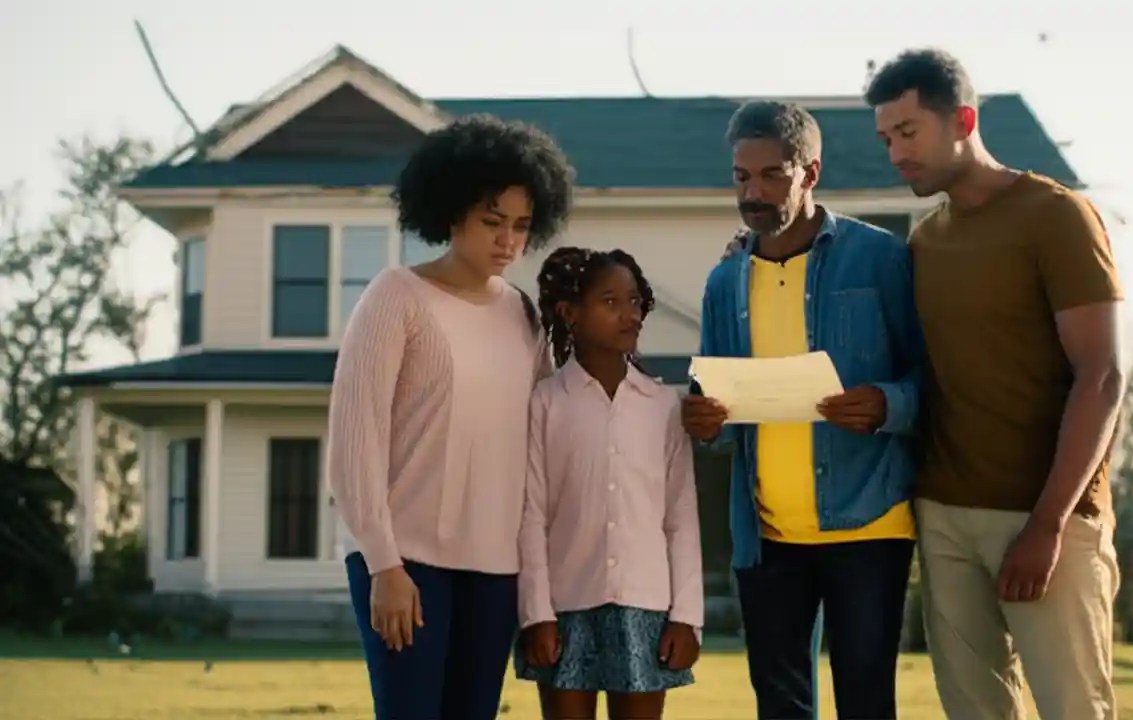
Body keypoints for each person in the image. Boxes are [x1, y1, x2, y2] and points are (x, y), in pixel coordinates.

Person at [865, 49, 1126, 720]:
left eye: (908, 132)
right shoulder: (925, 241)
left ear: (963, 120)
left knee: (1075, 709)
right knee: (973, 710)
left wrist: (1048, 524)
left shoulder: (1057, 216)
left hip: (1049, 518)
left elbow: (1101, 376)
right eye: (887, 138)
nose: (895, 152)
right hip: (946, 515)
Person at [682, 100, 925, 720]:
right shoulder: (723, 281)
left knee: (867, 703)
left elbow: (932, 375)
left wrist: (887, 404)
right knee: (780, 707)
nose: (753, 192)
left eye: (771, 176)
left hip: (869, 525)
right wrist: (705, 420)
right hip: (766, 535)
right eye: (741, 177)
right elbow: (713, 401)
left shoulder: (880, 259)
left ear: (810, 172)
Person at [327, 114, 574, 720]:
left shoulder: (522, 314)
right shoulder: (395, 297)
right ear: (450, 212)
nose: (508, 241)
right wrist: (384, 563)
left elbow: (549, 430)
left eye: (520, 225)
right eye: (492, 222)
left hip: (497, 570)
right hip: (406, 564)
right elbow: (354, 445)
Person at [515, 247, 703, 720]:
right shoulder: (544, 404)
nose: (630, 314)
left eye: (636, 302)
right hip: (564, 607)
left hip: (647, 608)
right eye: (611, 301)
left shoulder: (663, 406)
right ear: (570, 312)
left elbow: (680, 519)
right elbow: (530, 514)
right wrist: (536, 613)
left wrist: (686, 616)